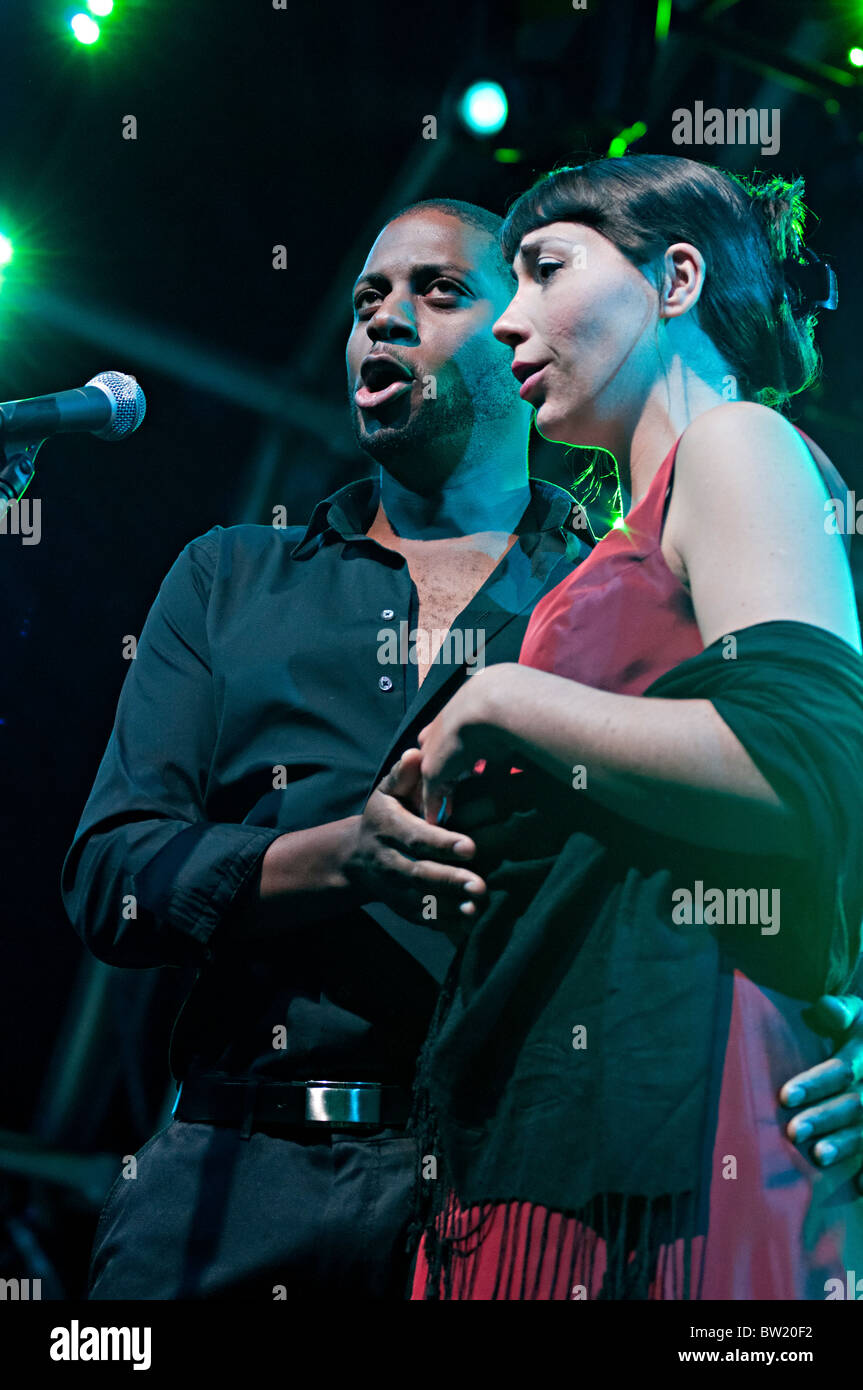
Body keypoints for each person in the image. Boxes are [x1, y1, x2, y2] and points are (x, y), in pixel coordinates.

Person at [61, 194, 862, 1302]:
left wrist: (840, 1012)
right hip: (239, 1174)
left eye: (440, 292)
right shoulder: (231, 576)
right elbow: (113, 879)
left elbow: (799, 783)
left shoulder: (608, 582)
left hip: (513, 1172)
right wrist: (348, 856)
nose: (383, 321)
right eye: (365, 300)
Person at [405, 156, 863, 1300]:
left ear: (674, 279)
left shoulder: (736, 444)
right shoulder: (613, 538)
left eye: (543, 269)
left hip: (664, 1138)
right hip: (554, 1132)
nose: (508, 320)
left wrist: (508, 700)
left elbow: (804, 767)